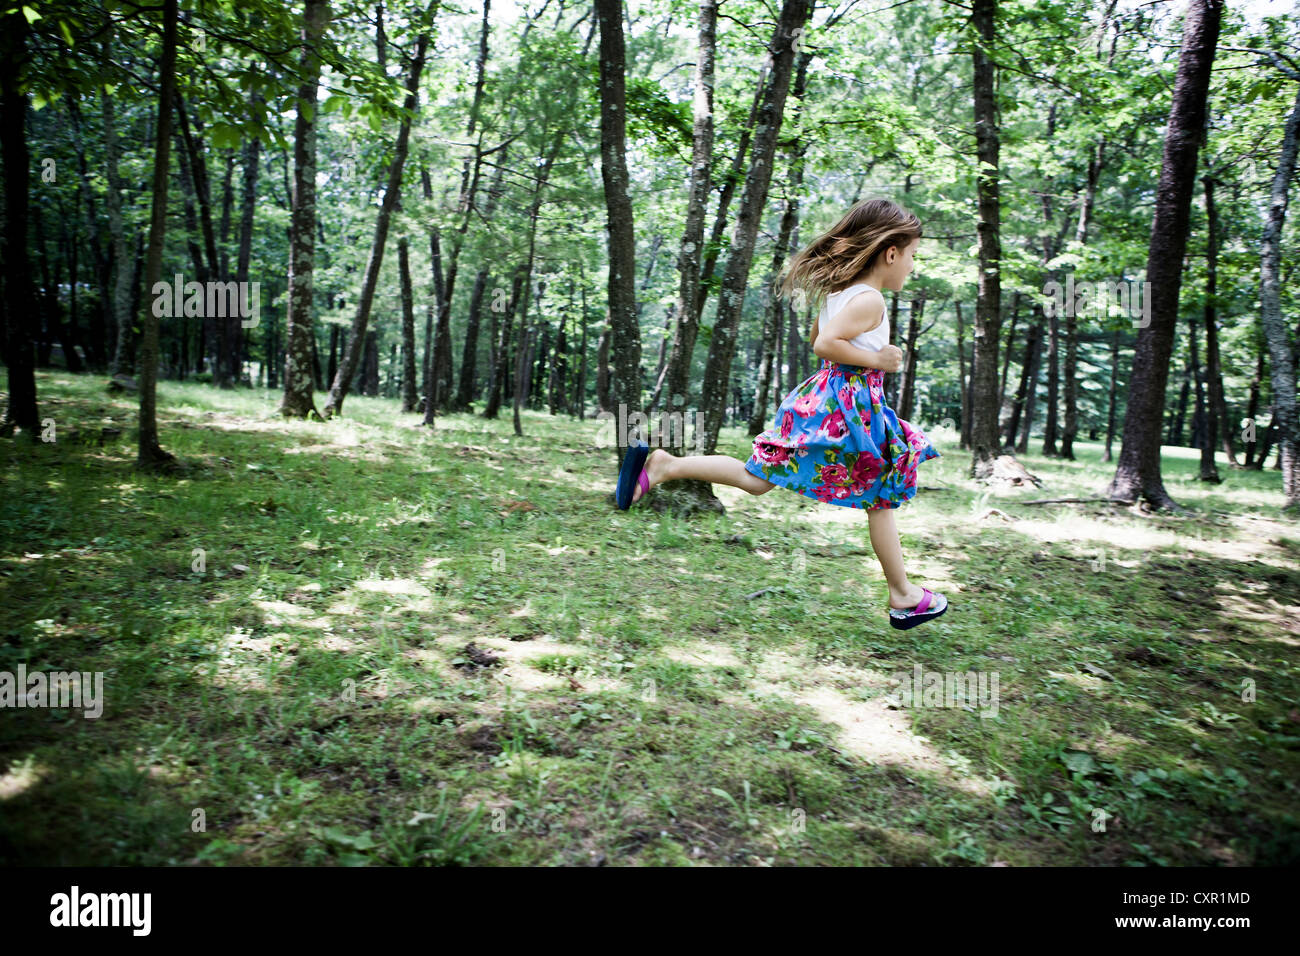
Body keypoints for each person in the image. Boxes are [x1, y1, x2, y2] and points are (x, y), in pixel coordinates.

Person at [614, 198, 946, 629]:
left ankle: (666, 465)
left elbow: (823, 336)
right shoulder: (870, 301)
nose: (913, 266)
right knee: (881, 496)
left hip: (829, 401)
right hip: (847, 406)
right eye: (913, 256)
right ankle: (903, 594)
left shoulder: (842, 292)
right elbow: (824, 343)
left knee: (760, 480)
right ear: (891, 253)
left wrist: (861, 359)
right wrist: (879, 361)